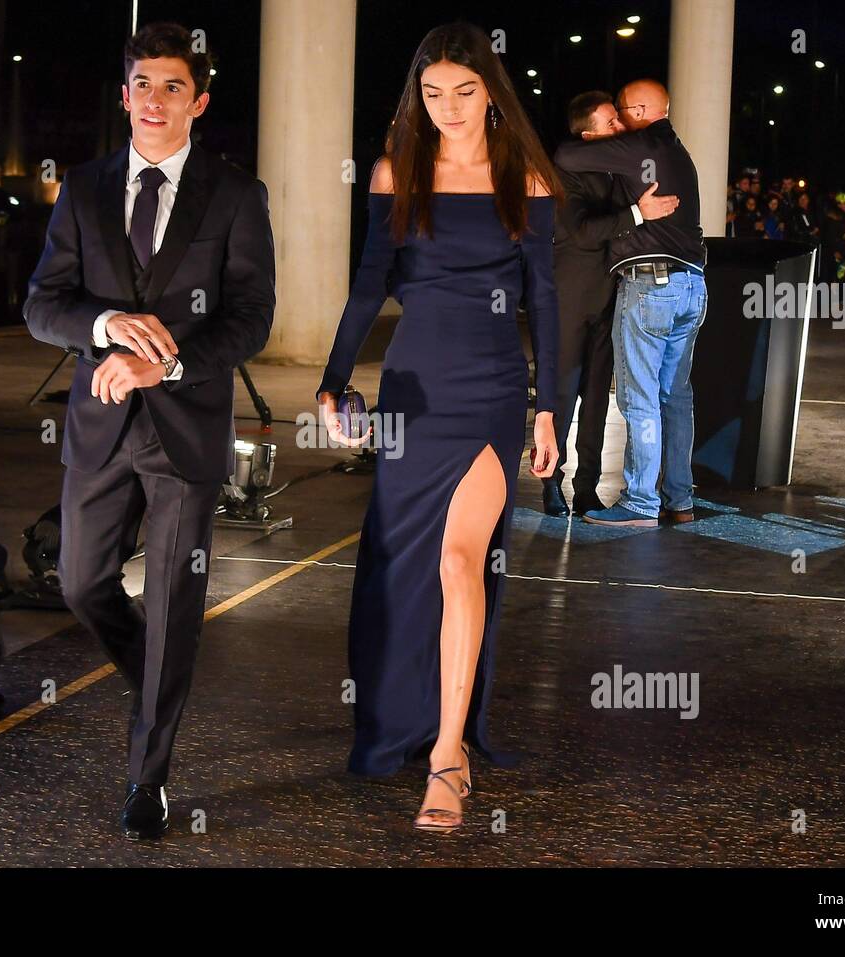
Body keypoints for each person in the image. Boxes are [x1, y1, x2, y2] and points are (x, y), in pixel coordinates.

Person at [22, 22, 276, 838]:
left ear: (198, 101)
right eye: (142, 85)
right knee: (80, 585)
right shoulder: (85, 188)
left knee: (171, 603)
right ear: (124, 94)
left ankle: (147, 778)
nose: (155, 100)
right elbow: (41, 305)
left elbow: (249, 322)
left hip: (185, 432)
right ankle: (157, 679)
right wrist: (104, 325)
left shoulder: (236, 194)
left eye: (173, 86)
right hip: (99, 427)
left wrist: (165, 364)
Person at [315, 21, 560, 831]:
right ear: (416, 97)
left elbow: (545, 302)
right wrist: (331, 377)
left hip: (490, 389)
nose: (449, 107)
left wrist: (549, 406)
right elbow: (366, 286)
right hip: (411, 390)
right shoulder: (396, 171)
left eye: (463, 91)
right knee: (401, 568)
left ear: (491, 90)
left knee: (461, 561)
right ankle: (404, 717)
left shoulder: (525, 175)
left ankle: (448, 754)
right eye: (432, 93)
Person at [552, 78, 708, 528]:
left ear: (640, 111)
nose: (619, 122)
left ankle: (640, 503)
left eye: (621, 112)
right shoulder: (675, 150)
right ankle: (678, 500)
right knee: (674, 397)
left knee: (640, 400)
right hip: (690, 286)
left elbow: (565, 154)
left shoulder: (640, 144)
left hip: (652, 287)